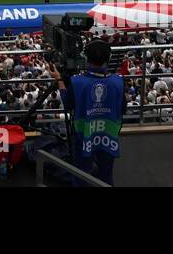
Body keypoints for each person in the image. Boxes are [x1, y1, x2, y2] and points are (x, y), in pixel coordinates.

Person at [51, 40, 124, 185]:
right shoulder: (118, 81)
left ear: (86, 59)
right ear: (108, 59)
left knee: (80, 173)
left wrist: (59, 79)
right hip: (109, 137)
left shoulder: (77, 82)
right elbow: (122, 108)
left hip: (83, 135)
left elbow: (67, 102)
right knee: (106, 176)